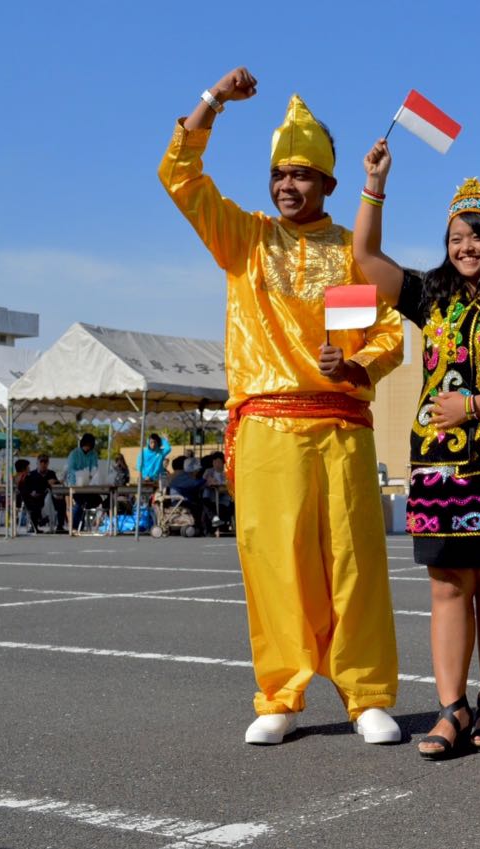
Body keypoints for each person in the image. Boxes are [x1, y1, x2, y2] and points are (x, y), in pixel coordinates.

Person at [159, 66, 404, 746]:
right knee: (276, 561)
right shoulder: (245, 240)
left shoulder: (348, 257)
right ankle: (282, 693)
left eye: (301, 175)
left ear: (327, 184)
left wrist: (354, 362)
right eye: (279, 175)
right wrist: (212, 101)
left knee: (355, 562)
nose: (287, 186)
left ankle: (367, 695)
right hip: (267, 424)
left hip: (341, 424)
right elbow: (180, 177)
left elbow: (385, 331)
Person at [354, 141, 480, 758]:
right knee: (447, 586)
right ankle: (452, 710)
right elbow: (364, 255)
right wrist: (375, 184)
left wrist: (472, 406)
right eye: (453, 239)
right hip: (441, 468)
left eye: (475, 237)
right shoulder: (429, 299)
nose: (464, 248)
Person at [65, 433, 102, 530]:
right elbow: (70, 469)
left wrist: (92, 474)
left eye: (89, 446)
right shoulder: (74, 453)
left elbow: (95, 467)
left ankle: (79, 525)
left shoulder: (93, 454)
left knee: (94, 500)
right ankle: (75, 526)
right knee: (79, 503)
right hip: (75, 484)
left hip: (89, 485)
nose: (87, 448)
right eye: (86, 445)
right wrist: (81, 473)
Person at [36, 454, 66, 533]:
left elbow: (57, 485)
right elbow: (32, 487)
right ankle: (37, 523)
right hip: (38, 498)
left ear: (48, 463)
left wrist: (57, 482)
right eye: (41, 461)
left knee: (62, 501)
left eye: (45, 462)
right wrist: (46, 483)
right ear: (38, 463)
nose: (43, 464)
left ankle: (60, 526)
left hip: (51, 497)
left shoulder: (51, 473)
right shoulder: (33, 474)